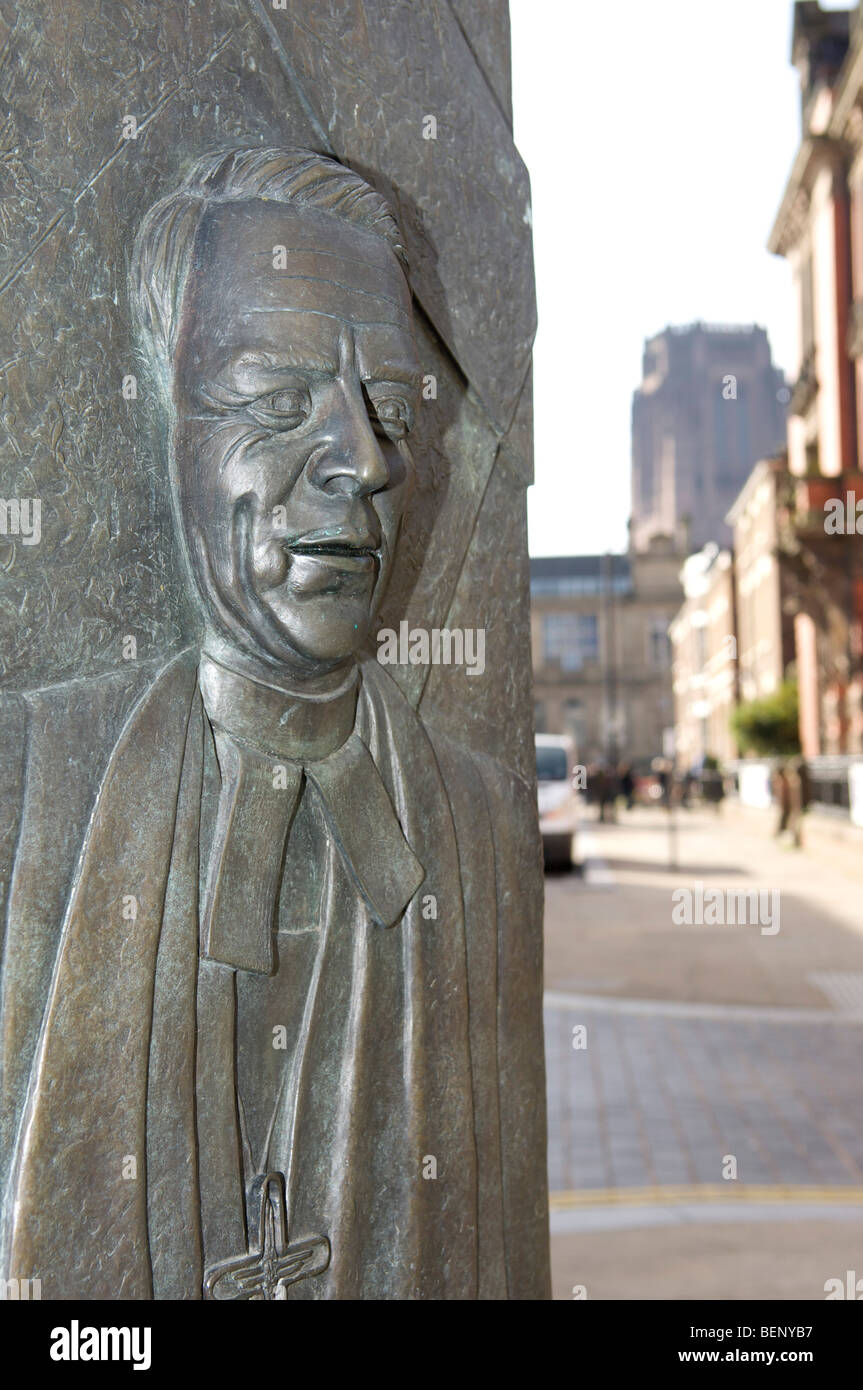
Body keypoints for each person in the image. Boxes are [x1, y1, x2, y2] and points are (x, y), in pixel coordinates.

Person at [0, 149, 549, 1301]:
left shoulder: (488, 833)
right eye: (275, 401)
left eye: (388, 408)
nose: (363, 460)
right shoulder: (28, 788)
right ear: (164, 429)